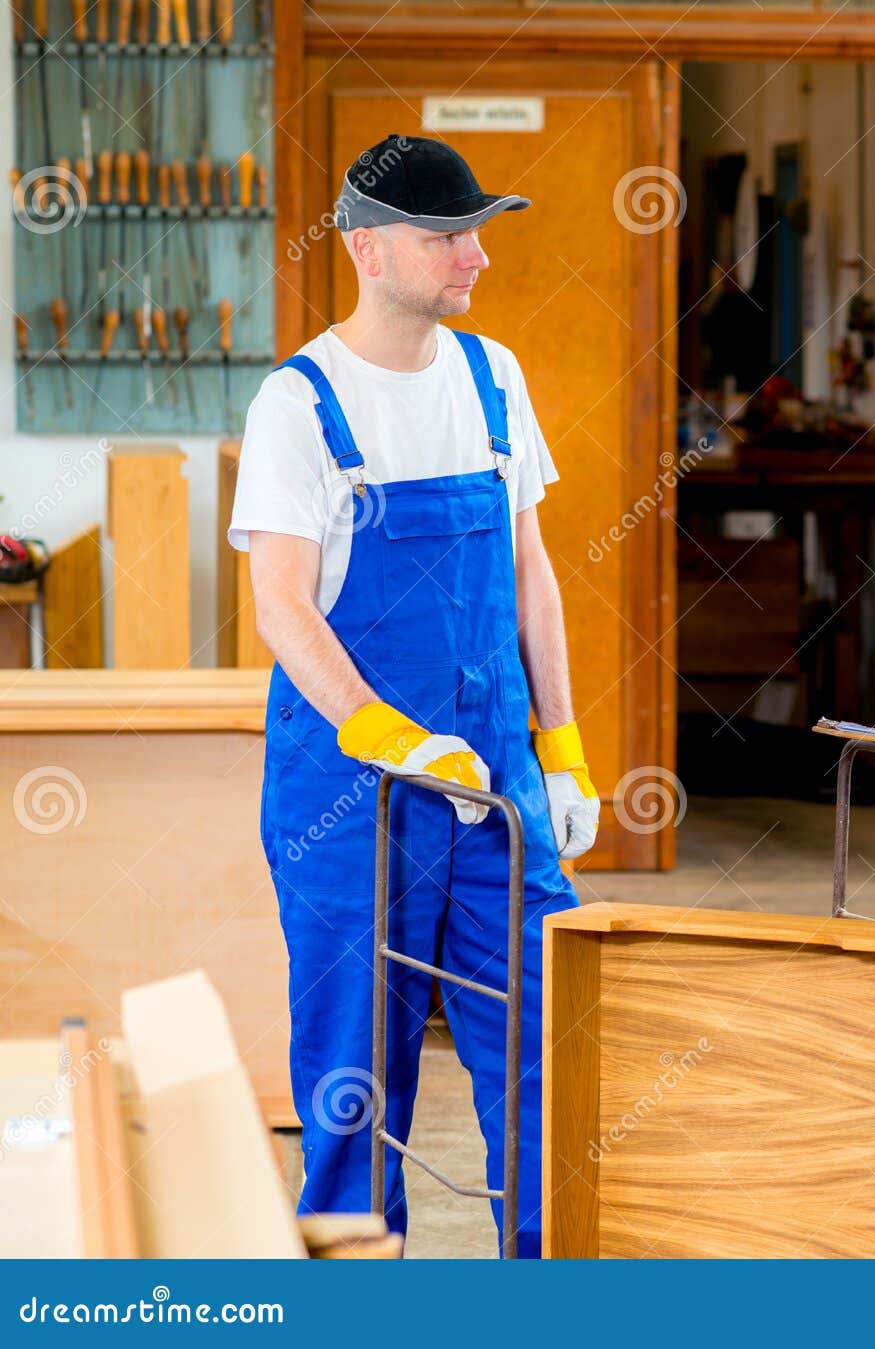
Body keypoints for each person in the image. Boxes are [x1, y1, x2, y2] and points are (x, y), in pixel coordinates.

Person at [228, 134, 601, 1257]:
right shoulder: (298, 404)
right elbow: (281, 606)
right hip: (355, 795)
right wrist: (390, 734)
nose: (474, 255)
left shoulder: (494, 376)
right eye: (447, 235)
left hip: (494, 786)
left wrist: (567, 745)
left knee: (546, 1040)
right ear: (366, 244)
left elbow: (532, 576)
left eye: (477, 231)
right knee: (355, 1064)